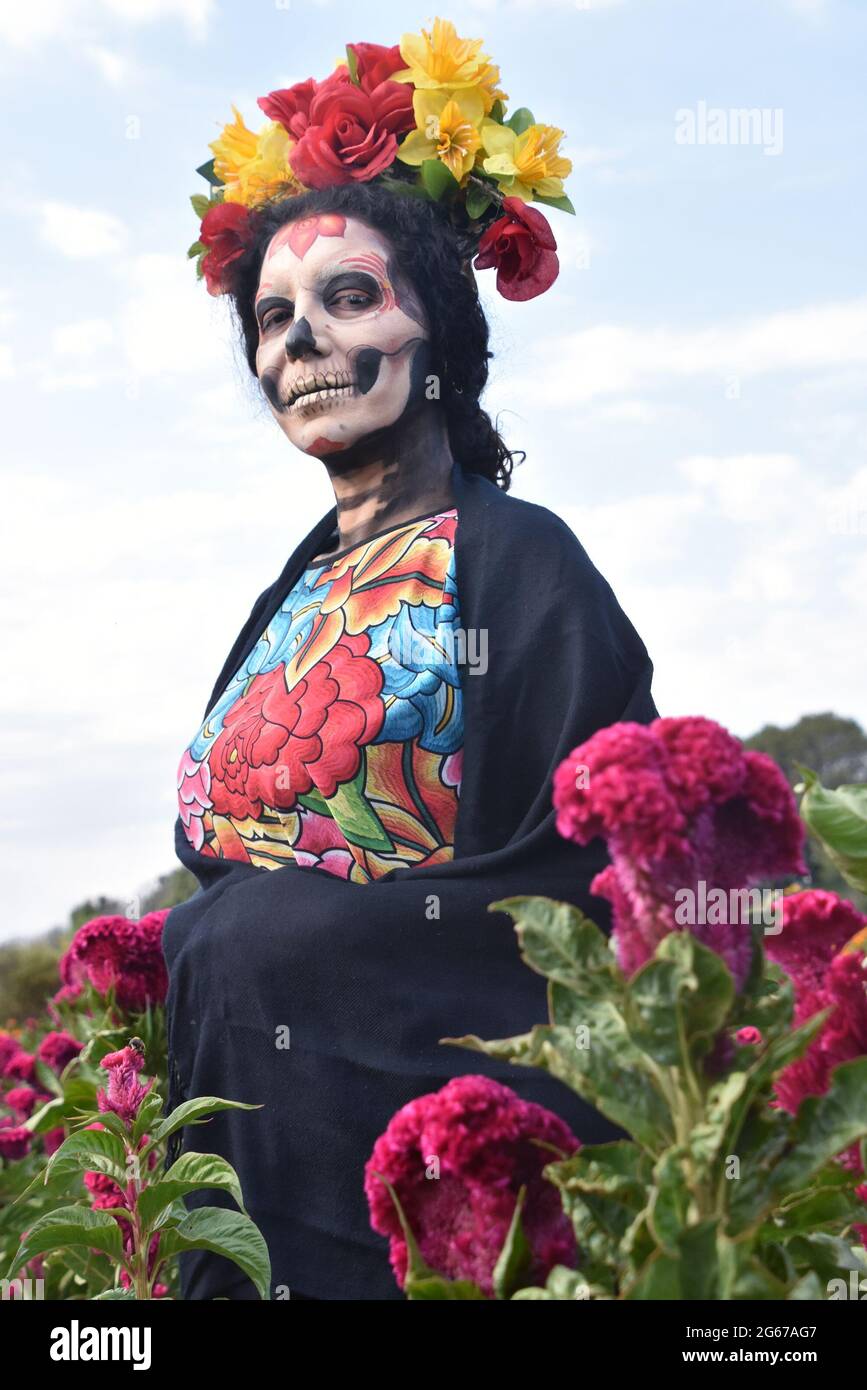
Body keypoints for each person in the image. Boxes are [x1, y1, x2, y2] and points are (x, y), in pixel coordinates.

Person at [161, 31, 658, 1301]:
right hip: (248, 1161)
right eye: (274, 318)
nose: (304, 343)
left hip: (402, 1168)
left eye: (349, 296)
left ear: (435, 323)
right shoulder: (291, 591)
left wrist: (299, 937)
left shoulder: (518, 564)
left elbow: (597, 876)